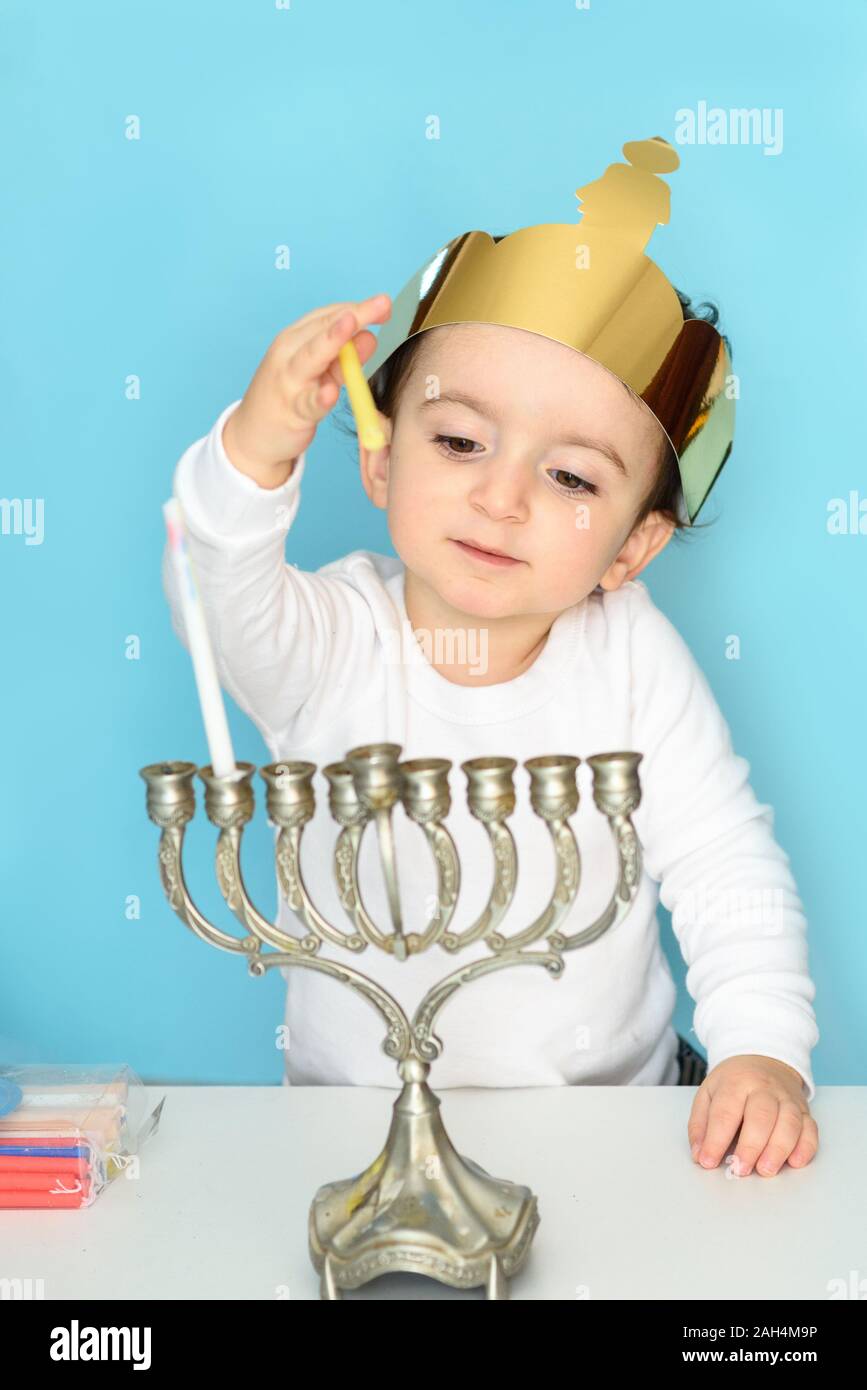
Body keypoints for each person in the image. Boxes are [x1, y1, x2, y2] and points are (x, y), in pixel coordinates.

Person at [163, 141, 820, 1181]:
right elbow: (223, 587)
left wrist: (763, 1049)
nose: (501, 497)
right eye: (460, 441)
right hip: (356, 1134)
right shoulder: (331, 638)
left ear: (633, 548)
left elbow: (724, 861)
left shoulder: (634, 657)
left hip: (620, 1127)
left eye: (569, 475)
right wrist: (253, 453)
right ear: (379, 453)